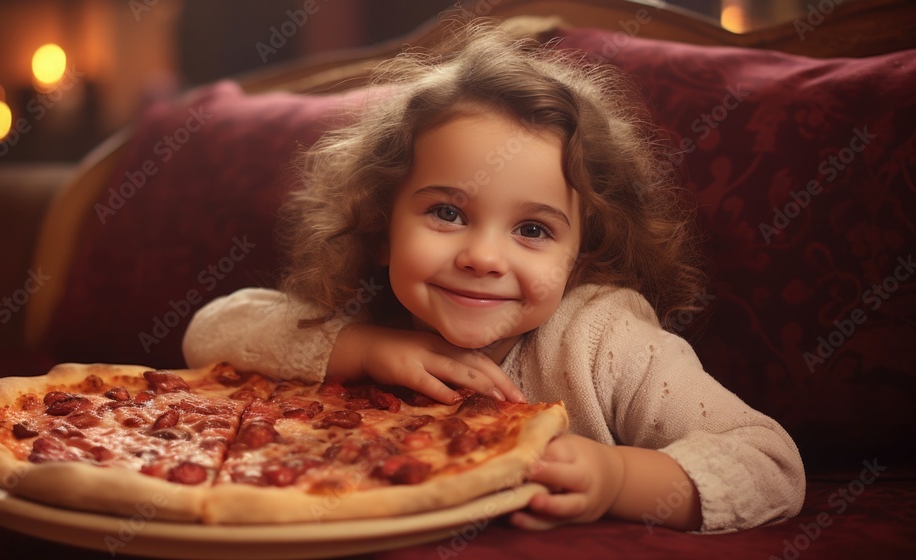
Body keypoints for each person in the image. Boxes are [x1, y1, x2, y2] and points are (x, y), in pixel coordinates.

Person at [182, 20, 805, 533]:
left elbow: (770, 462)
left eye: (533, 230)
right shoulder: (372, 313)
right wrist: (366, 349)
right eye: (447, 213)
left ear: (581, 255)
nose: (483, 257)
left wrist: (618, 479)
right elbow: (210, 332)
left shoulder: (601, 342)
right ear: (379, 229)